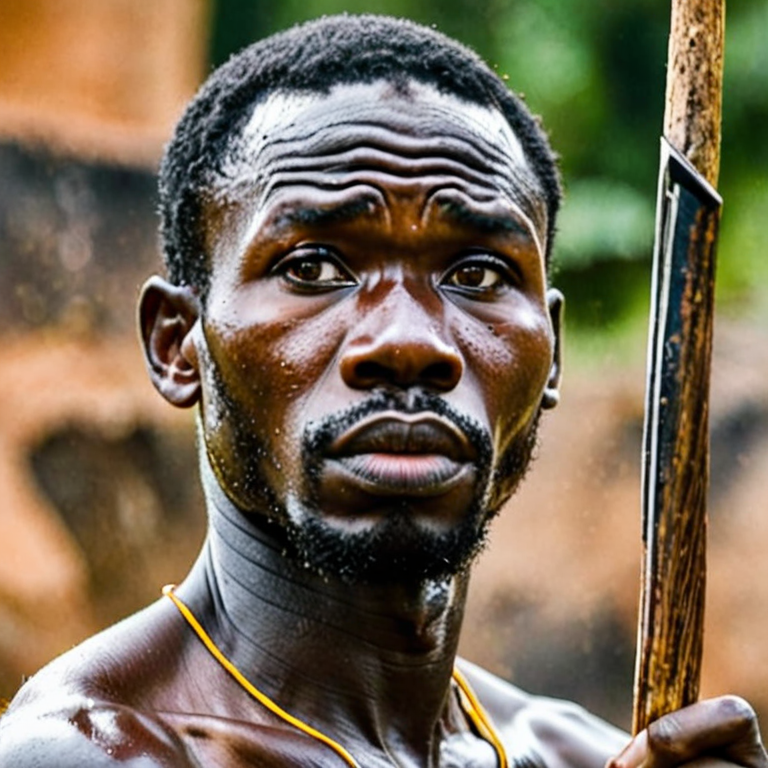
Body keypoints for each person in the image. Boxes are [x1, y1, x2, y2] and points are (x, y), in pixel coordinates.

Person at [0, 14, 764, 768]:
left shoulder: (575, 752)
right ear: (177, 344)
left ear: (553, 354)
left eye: (476, 275)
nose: (407, 342)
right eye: (313, 268)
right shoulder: (89, 752)